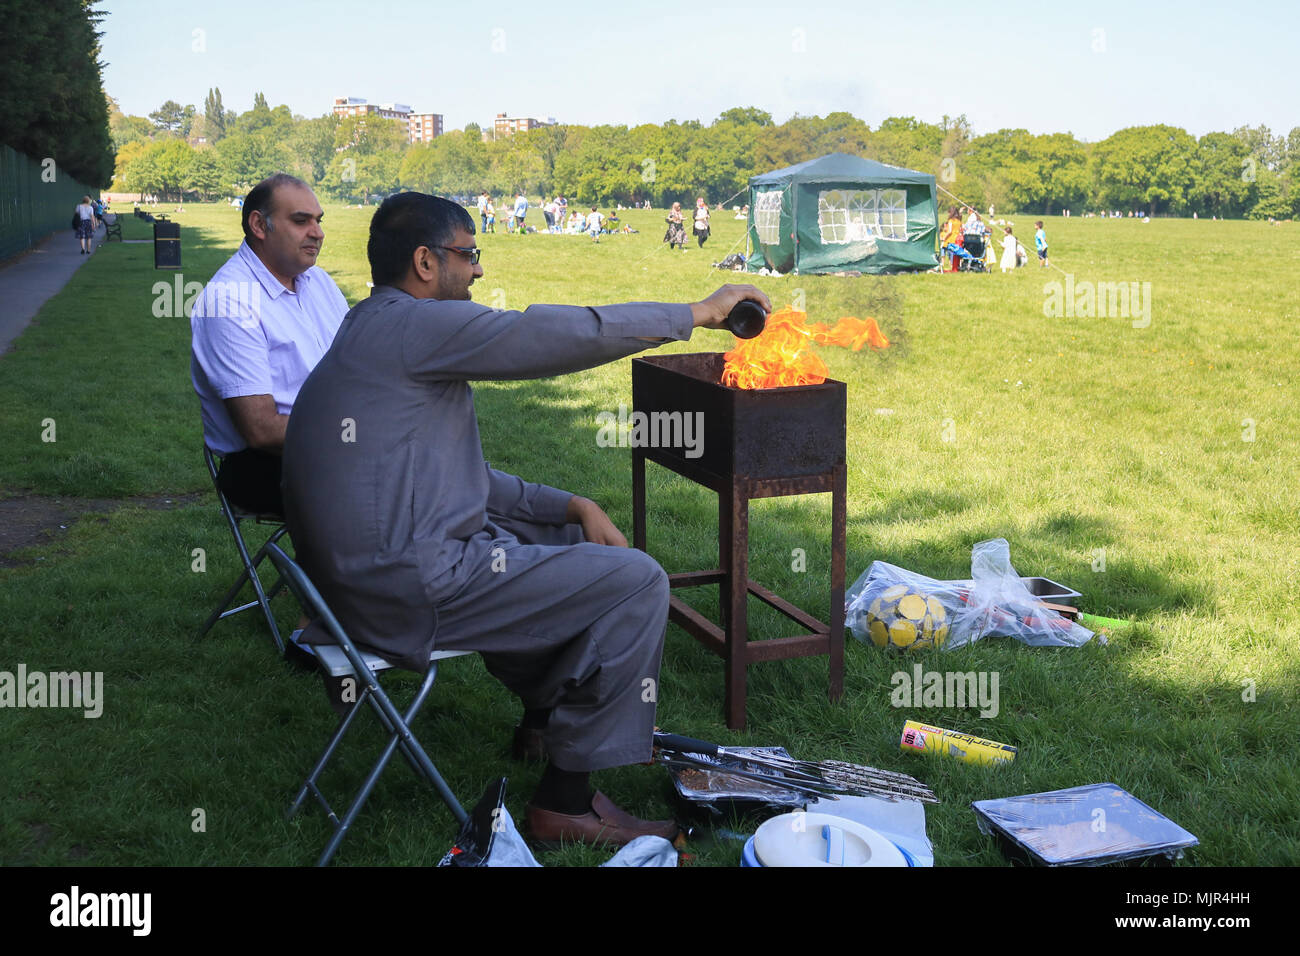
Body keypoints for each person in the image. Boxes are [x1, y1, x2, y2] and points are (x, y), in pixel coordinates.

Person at [281, 192, 771, 847]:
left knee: (565, 534)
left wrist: (573, 506)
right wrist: (695, 313)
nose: (478, 270)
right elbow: (537, 335)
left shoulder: (375, 327)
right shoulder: (414, 327)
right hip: (401, 588)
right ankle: (563, 804)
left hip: (359, 577)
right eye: (468, 254)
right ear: (425, 263)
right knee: (638, 581)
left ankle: (545, 722)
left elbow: (465, 483)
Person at [190, 173, 348, 516]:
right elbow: (261, 430)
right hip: (266, 467)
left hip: (336, 443)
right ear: (259, 225)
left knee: (434, 464)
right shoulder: (229, 301)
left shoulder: (317, 281)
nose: (318, 233)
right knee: (407, 487)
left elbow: (358, 364)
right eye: (300, 221)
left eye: (318, 221)